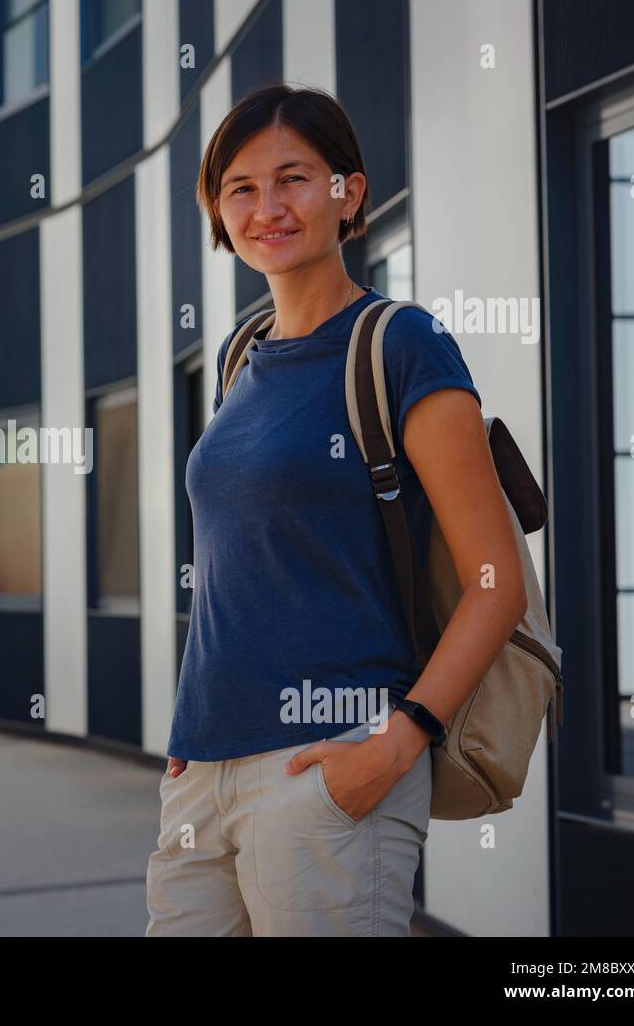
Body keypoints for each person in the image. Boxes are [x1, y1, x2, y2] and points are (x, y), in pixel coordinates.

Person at [145, 84, 527, 937]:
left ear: (348, 192)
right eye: (241, 187)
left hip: (330, 765)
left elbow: (494, 582)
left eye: (295, 179)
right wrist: (191, 732)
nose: (267, 207)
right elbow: (240, 568)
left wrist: (399, 741)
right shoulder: (243, 355)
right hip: (204, 770)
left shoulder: (402, 345)